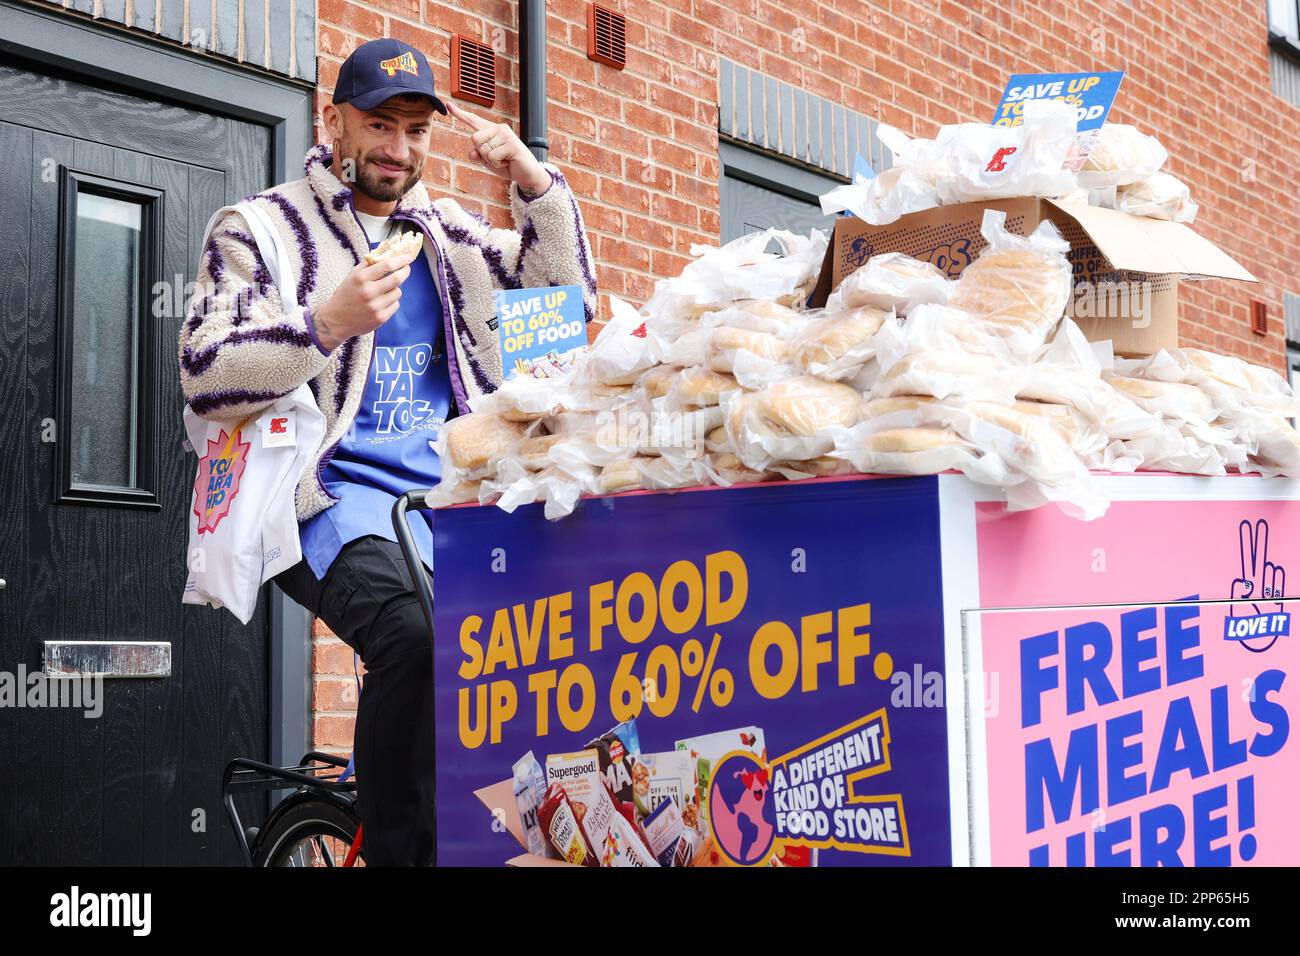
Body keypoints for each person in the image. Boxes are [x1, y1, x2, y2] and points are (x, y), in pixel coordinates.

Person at [178, 36, 597, 865]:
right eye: (379, 124)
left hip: (443, 509)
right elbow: (204, 369)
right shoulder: (262, 230)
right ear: (335, 119)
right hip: (321, 504)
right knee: (414, 634)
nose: (397, 149)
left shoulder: (444, 237)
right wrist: (325, 323)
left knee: (553, 639)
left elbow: (561, 301)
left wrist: (534, 183)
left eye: (415, 129)